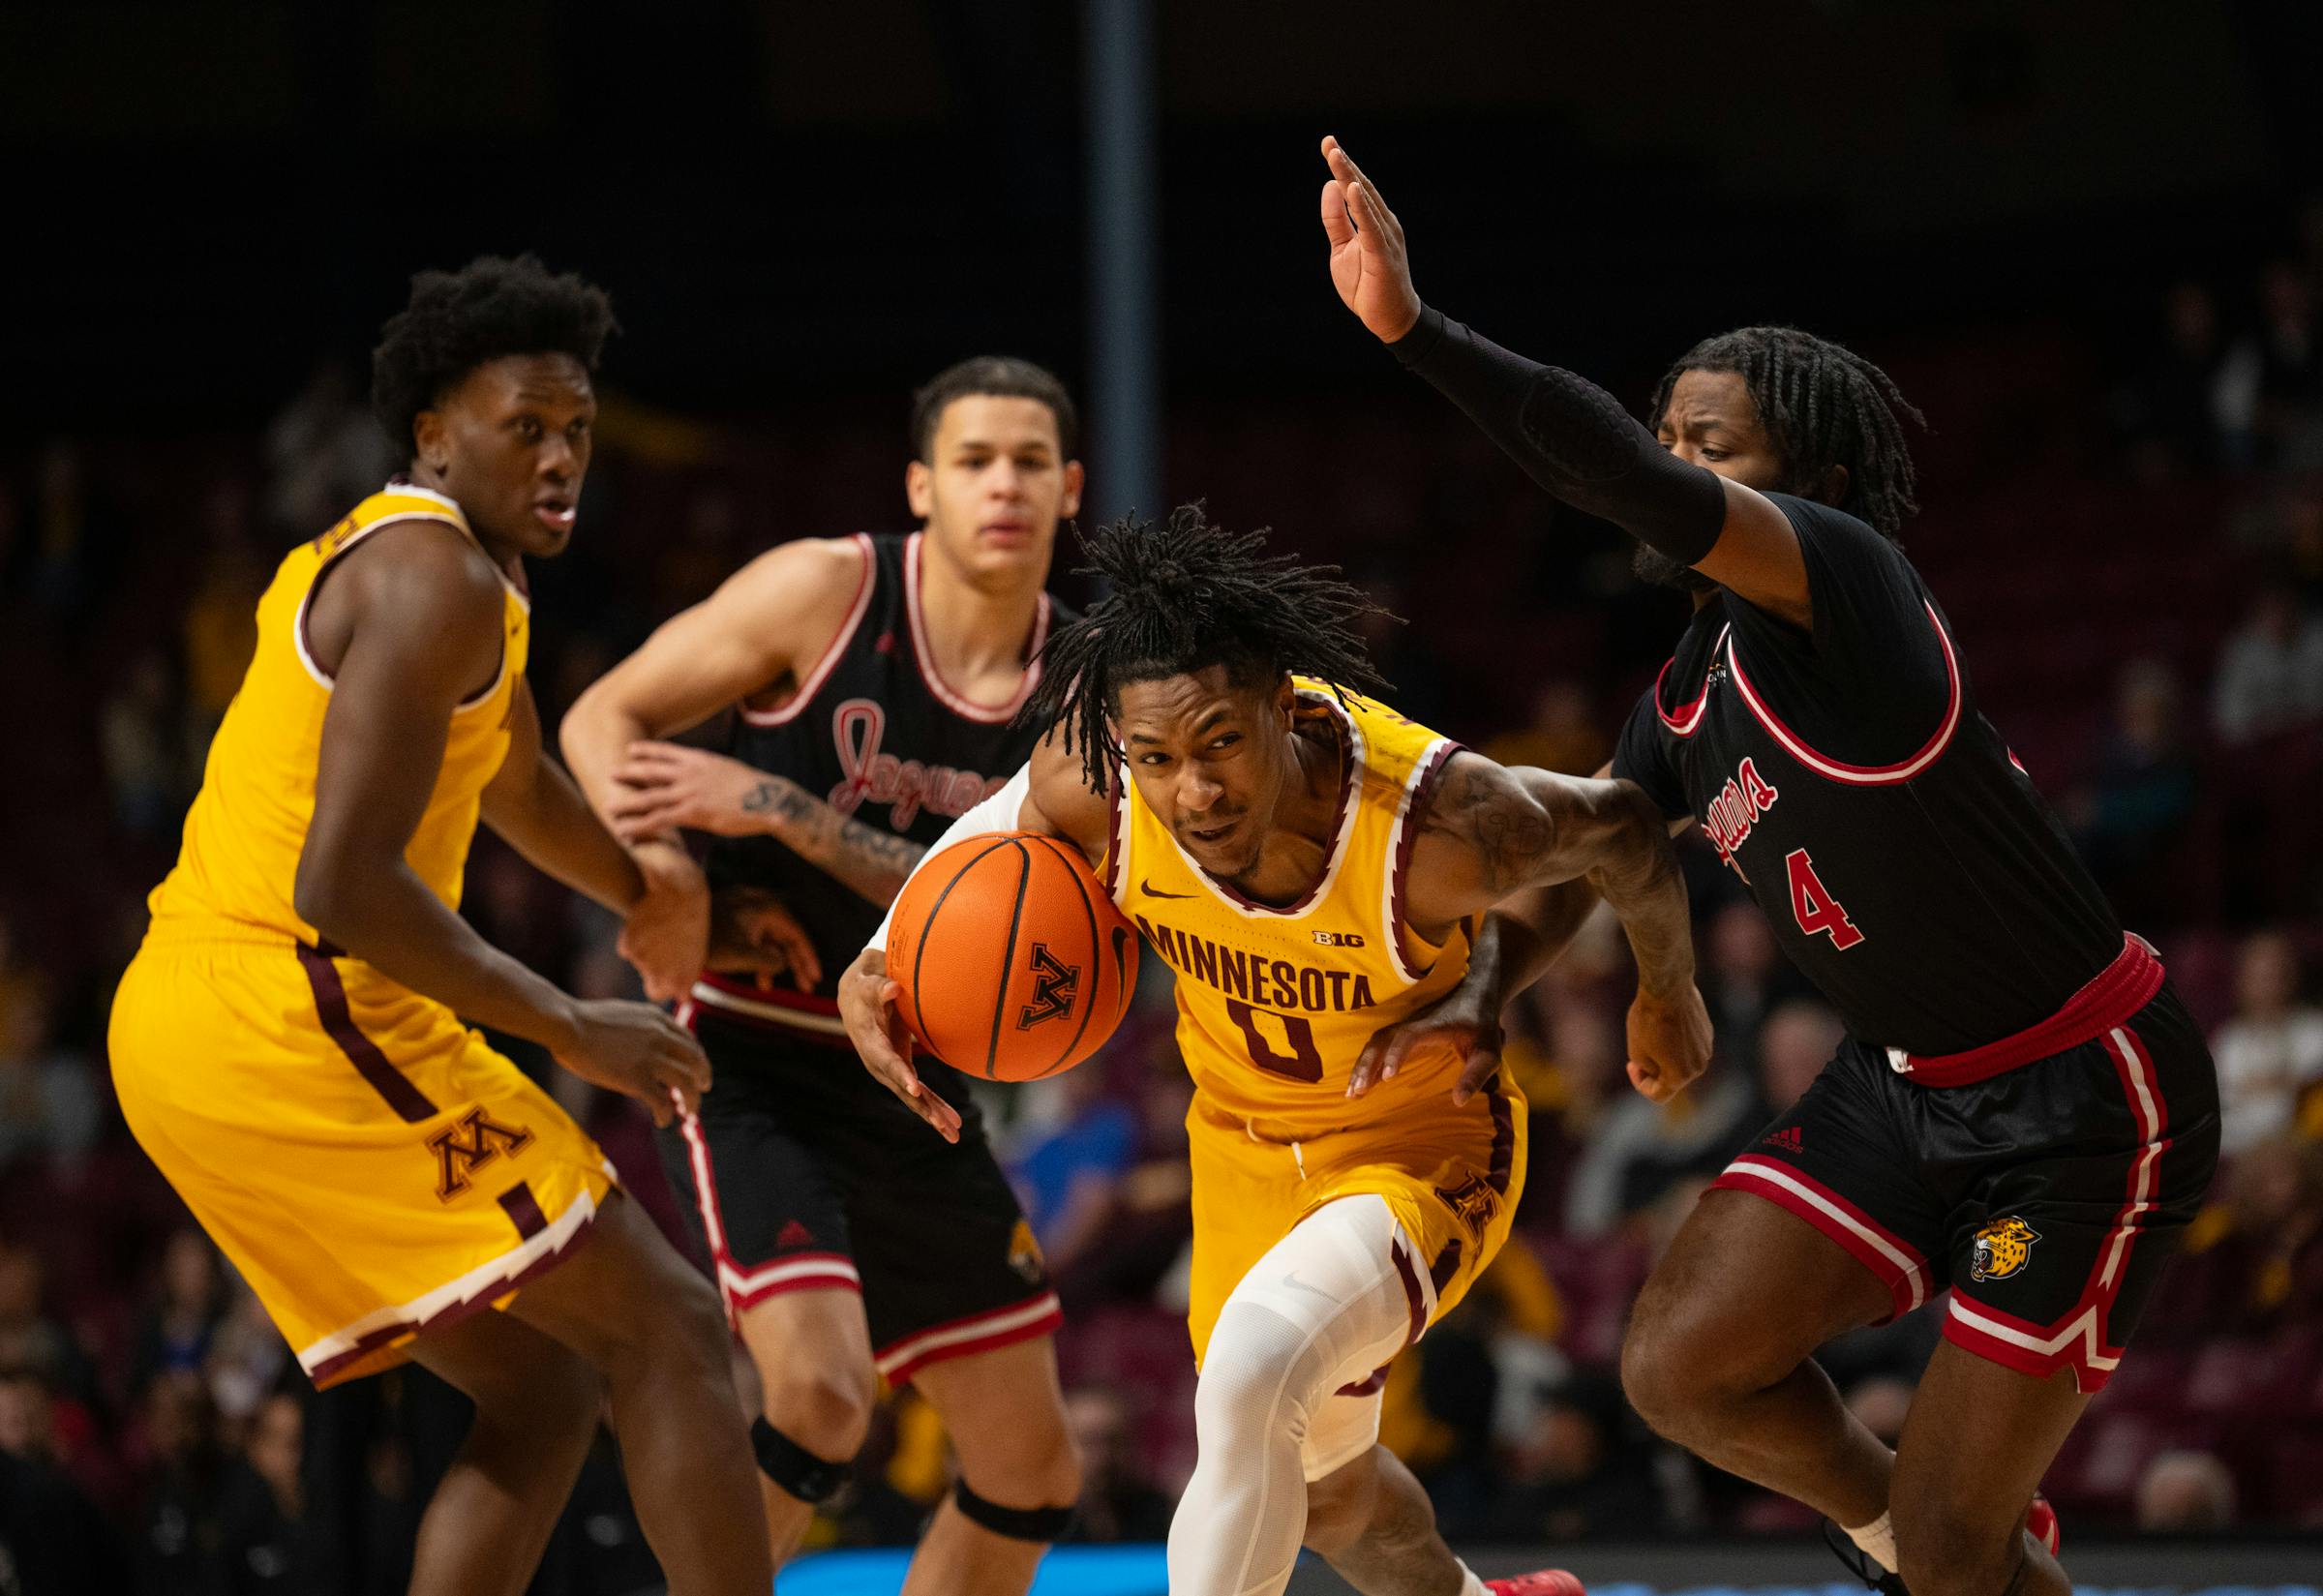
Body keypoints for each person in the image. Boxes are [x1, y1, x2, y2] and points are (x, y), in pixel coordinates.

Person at [1317, 137, 2222, 1596]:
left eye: (1709, 444)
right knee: (1683, 1368)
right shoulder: (1683, 690)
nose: (1674, 462)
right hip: (1905, 1080)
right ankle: (1932, 1545)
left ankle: (1946, 1548)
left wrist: (1419, 333)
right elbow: (1596, 851)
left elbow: (1605, 467)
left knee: (1948, 1547)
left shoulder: (1847, 587)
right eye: (1669, 431)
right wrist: (1474, 996)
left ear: (1819, 480)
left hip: (2080, 1093)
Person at [835, 506, 1712, 1596]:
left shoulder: (1436, 823)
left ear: (1284, 709)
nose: (1193, 790)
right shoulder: (1106, 781)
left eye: (1219, 743)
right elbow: (1001, 816)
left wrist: (1664, 991)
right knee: (1328, 1486)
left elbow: (1625, 829)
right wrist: (876, 958)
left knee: (1251, 1376)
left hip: (1418, 1146)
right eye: (1156, 756)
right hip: (1242, 1148)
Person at [106, 256, 770, 1596]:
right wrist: (573, 1024)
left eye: (576, 429)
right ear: (432, 435)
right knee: (675, 1332)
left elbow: (515, 783)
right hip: (289, 1002)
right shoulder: (435, 579)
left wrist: (657, 898)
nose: (561, 457)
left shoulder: (444, 568)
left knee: (543, 1391)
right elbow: (341, 886)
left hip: (202, 1019)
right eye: (523, 427)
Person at [560, 357, 1085, 1588]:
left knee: (1034, 1470)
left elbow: (1004, 905)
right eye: (972, 460)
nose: (1000, 484)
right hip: (751, 1047)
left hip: (915, 1073)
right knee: (820, 1393)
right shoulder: (828, 590)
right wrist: (664, 871)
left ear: (1069, 490)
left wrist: (791, 814)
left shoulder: (1082, 689)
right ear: (922, 486)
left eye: (1026, 463)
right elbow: (598, 717)